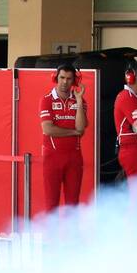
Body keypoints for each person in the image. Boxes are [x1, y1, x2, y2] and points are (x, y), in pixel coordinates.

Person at [38, 64, 87, 213]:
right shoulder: (46, 100)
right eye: (62, 78)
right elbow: (47, 129)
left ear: (75, 81)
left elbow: (81, 127)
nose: (65, 82)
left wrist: (78, 101)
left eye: (69, 78)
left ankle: (70, 236)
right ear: (55, 78)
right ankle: (52, 236)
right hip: (52, 156)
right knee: (51, 202)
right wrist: (73, 132)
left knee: (73, 204)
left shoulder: (80, 101)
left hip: (74, 156)